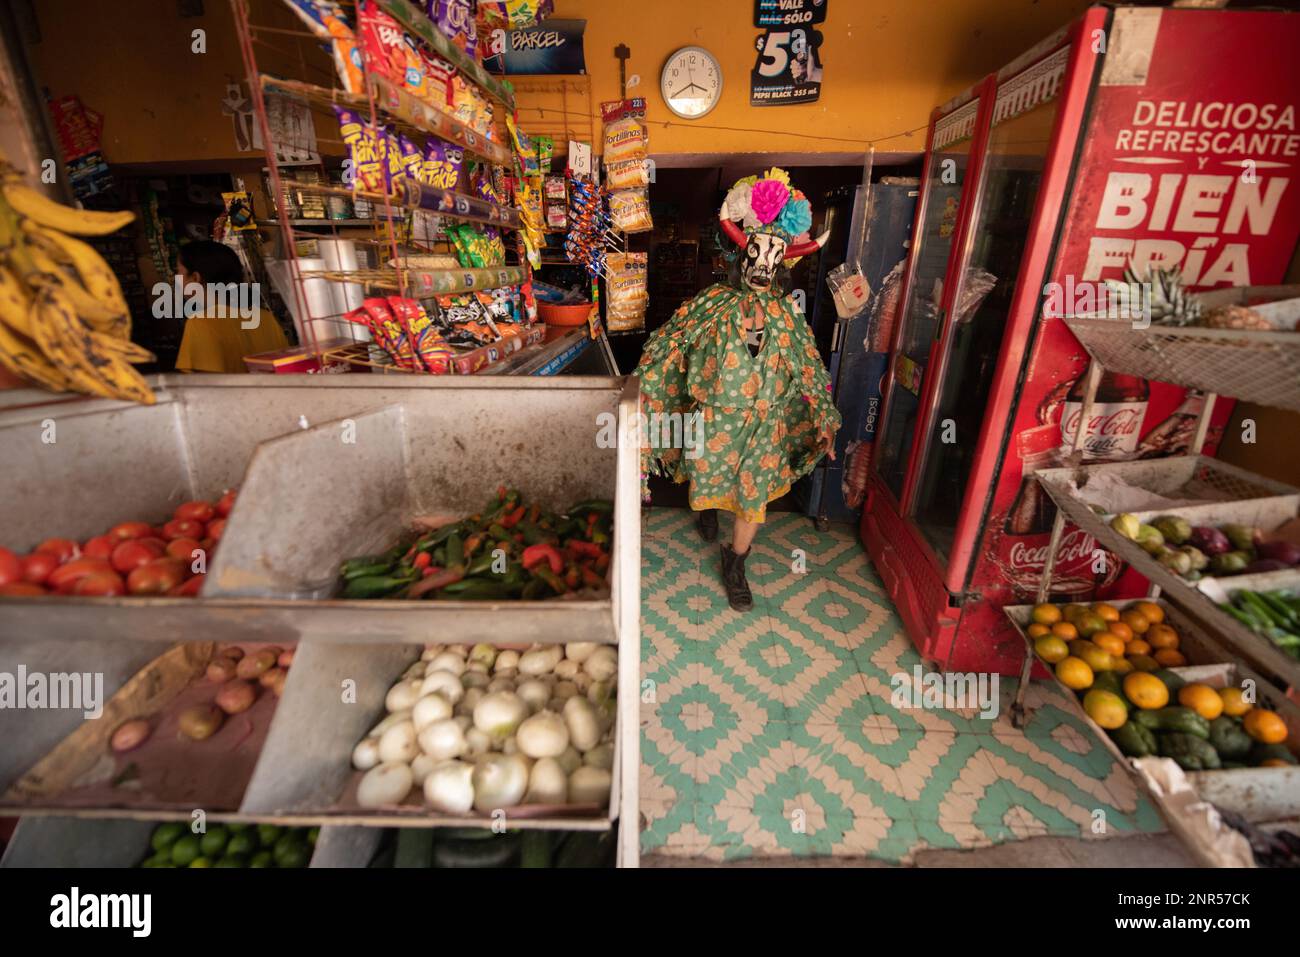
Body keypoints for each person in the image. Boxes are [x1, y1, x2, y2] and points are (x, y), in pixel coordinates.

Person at [636, 168, 841, 611]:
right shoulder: (710, 303)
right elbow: (668, 343)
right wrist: (647, 388)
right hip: (715, 419)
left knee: (751, 499)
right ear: (741, 254)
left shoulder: (788, 315)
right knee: (708, 482)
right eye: (754, 253)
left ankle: (736, 563)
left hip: (764, 424)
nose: (762, 267)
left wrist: (825, 417)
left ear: (785, 261)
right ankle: (707, 510)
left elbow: (809, 366)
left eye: (773, 257)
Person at [174, 240, 289, 373]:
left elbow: (205, 387)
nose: (175, 278)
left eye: (178, 272)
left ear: (195, 278)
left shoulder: (200, 323)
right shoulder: (266, 319)